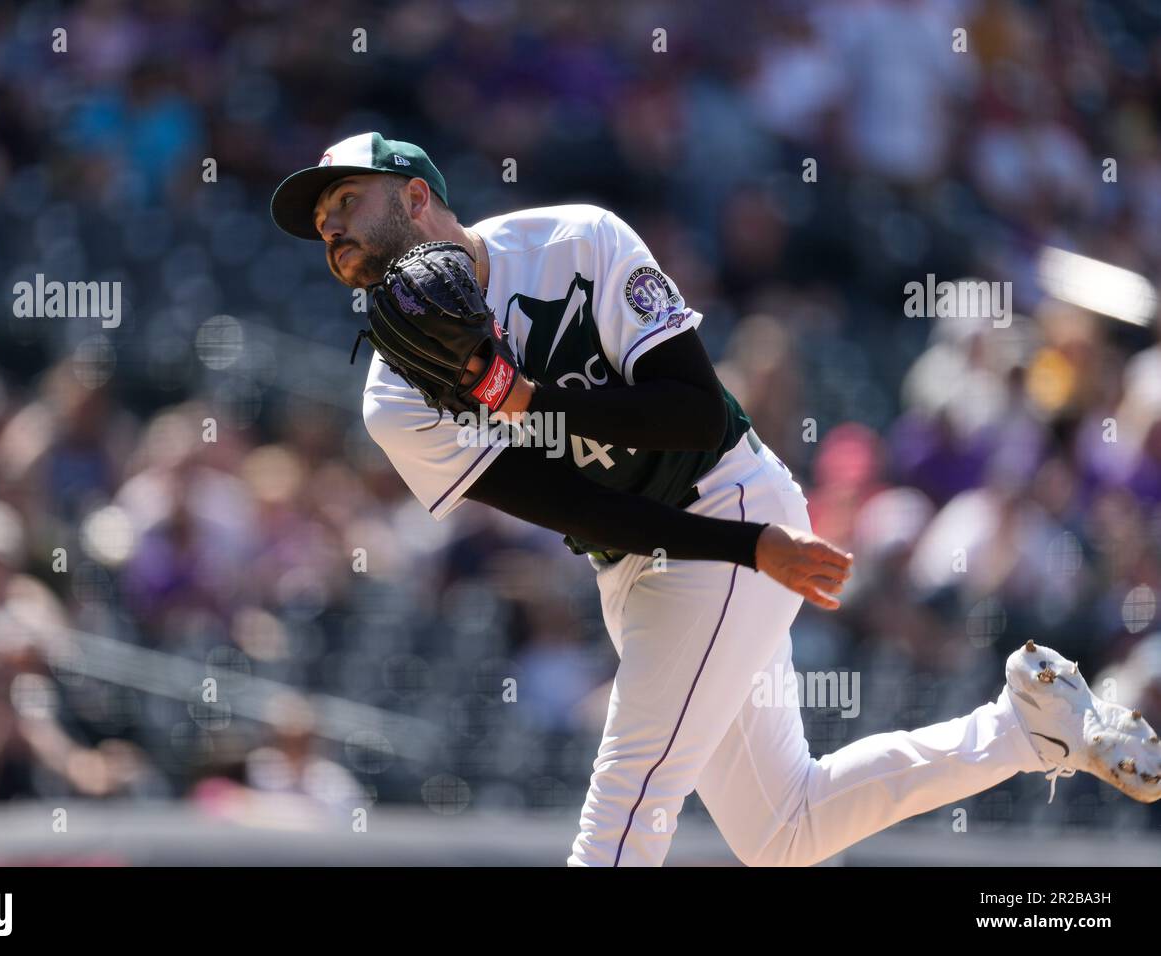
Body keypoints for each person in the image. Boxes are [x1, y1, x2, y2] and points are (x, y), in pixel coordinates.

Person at [271, 132, 1161, 866]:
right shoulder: (393, 394)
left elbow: (693, 412)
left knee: (619, 820)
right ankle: (1026, 732)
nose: (330, 230)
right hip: (653, 557)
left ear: (417, 196)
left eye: (345, 202)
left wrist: (532, 402)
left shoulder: (575, 240)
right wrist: (745, 553)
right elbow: (575, 509)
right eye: (319, 225)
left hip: (725, 493)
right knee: (786, 830)